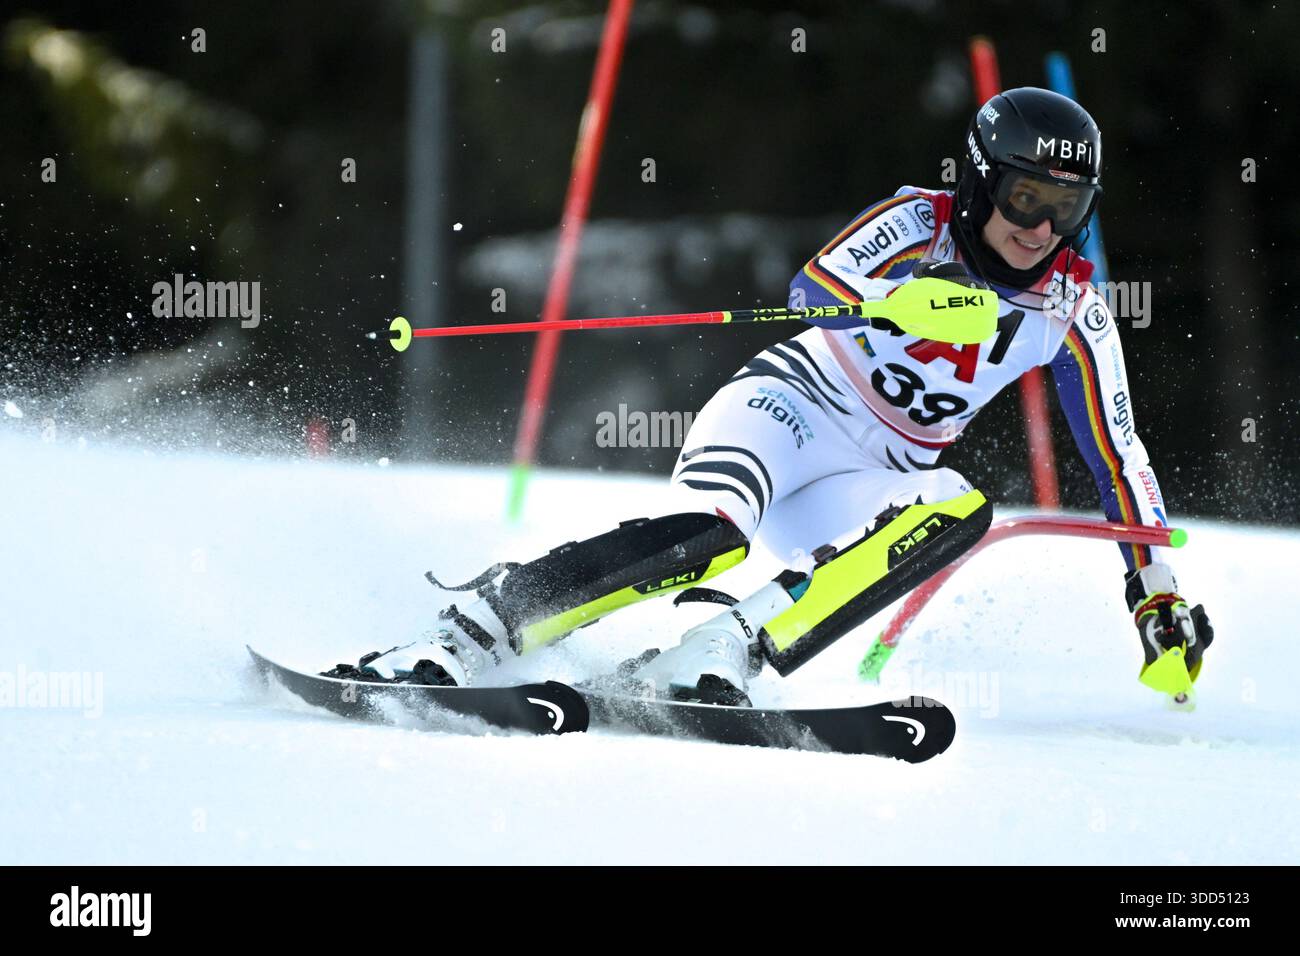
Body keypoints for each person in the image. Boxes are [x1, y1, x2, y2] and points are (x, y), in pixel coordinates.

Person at [345, 87, 1212, 704]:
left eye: (1065, 207)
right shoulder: (919, 221)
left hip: (870, 481)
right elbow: (811, 287)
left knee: (959, 508)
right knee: (709, 538)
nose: (1038, 228)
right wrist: (900, 301)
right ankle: (480, 625)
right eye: (1025, 197)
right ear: (985, 182)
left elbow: (1116, 453)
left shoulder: (1072, 307)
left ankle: (721, 648)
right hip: (788, 412)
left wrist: (1156, 590)